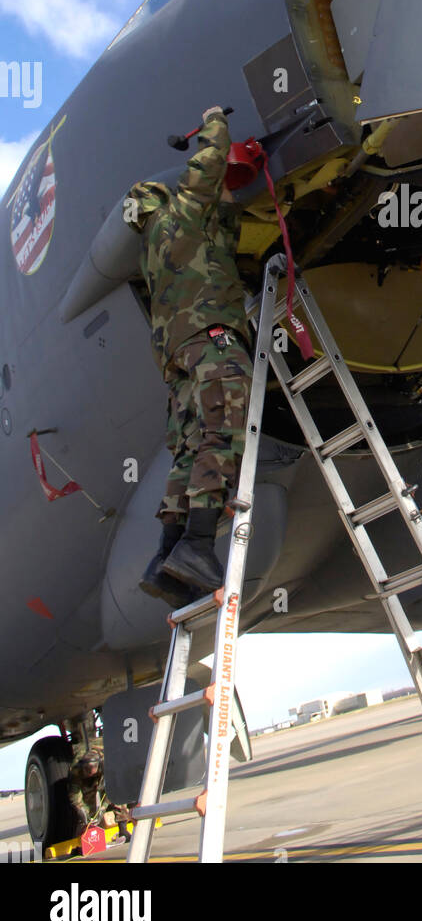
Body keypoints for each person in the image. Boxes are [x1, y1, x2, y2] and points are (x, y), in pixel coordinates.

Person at [125, 107, 254, 604]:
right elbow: (209, 162)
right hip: (211, 336)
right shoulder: (178, 213)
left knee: (189, 445)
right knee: (223, 430)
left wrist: (225, 206)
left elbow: (217, 240)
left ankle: (168, 555)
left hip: (179, 355)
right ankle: (199, 543)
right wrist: (215, 121)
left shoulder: (152, 250)